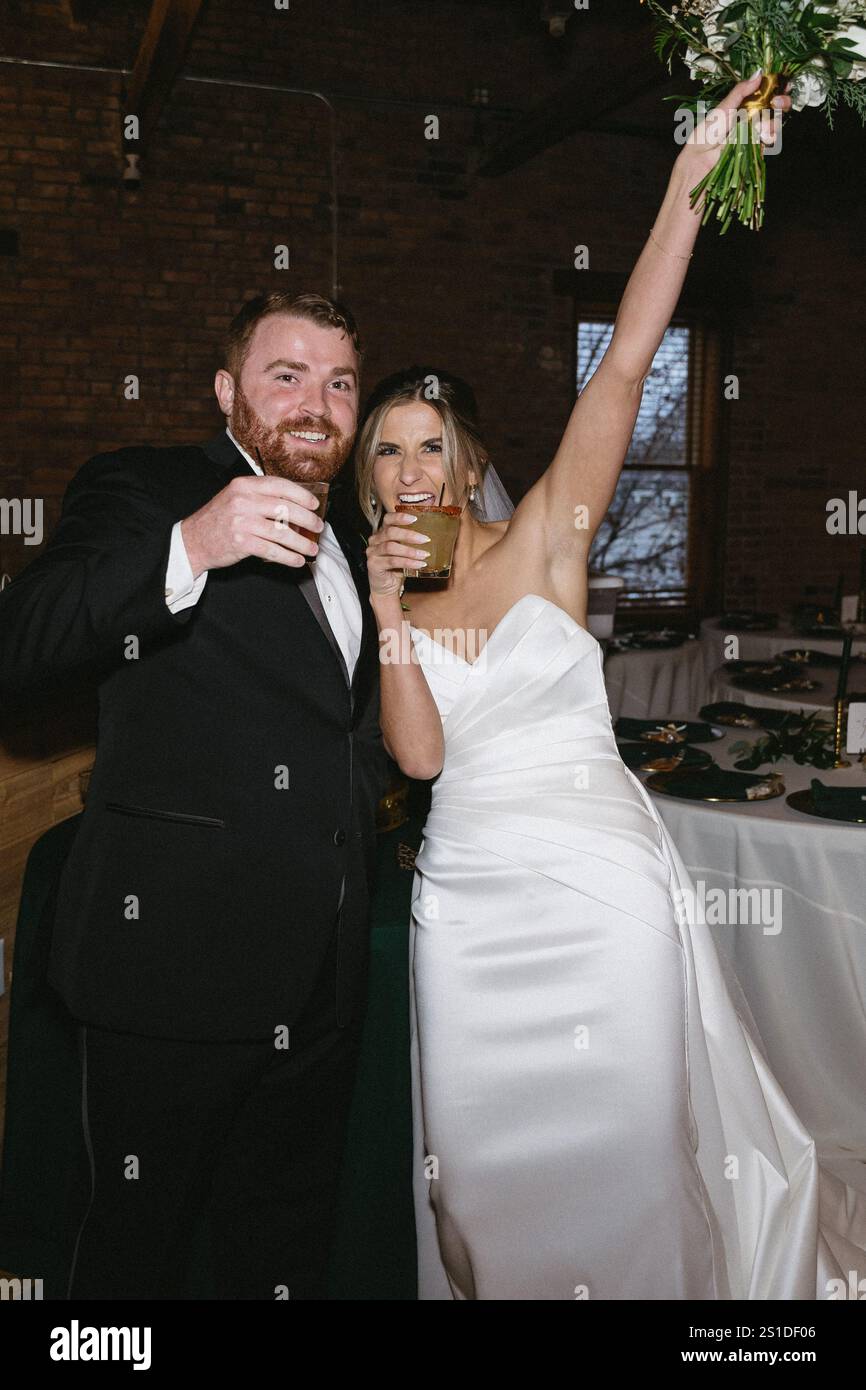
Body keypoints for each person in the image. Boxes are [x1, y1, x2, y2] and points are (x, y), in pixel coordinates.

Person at [360, 76, 866, 1299]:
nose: (413, 465)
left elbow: (629, 358)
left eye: (433, 441)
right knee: (481, 1186)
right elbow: (419, 763)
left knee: (629, 1158)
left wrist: (693, 169)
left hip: (599, 888)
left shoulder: (547, 538)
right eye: (387, 448)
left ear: (467, 461)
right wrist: (385, 619)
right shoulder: (391, 605)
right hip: (470, 910)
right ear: (370, 487)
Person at [0, 290, 388, 1298]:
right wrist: (192, 546)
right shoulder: (147, 487)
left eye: (339, 381)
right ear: (226, 391)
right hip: (168, 971)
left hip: (319, 983)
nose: (317, 402)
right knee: (129, 1250)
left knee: (278, 1252)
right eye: (286, 375)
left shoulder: (356, 532)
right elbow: (22, 640)